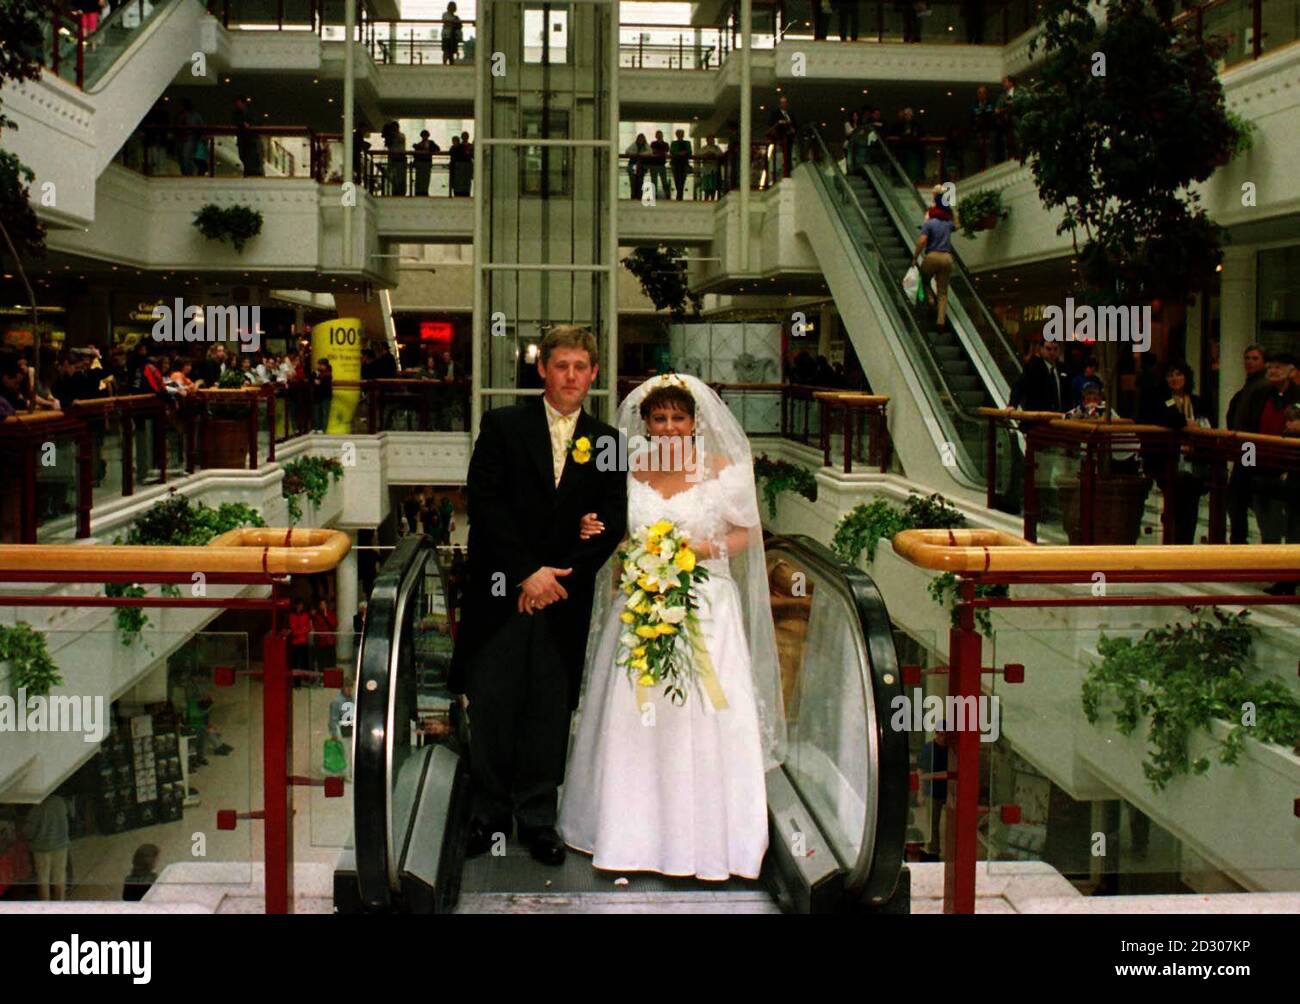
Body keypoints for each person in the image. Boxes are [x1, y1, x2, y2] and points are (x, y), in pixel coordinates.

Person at [558, 373, 784, 880]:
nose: (668, 427)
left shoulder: (721, 468)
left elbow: (746, 535)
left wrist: (695, 551)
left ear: (694, 421)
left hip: (707, 607)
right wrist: (599, 532)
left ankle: (708, 842)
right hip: (641, 601)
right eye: (658, 418)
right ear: (645, 423)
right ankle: (631, 836)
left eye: (678, 418)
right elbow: (613, 530)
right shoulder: (629, 469)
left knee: (699, 716)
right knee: (637, 720)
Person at [450, 325, 627, 866]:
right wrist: (528, 573)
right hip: (501, 594)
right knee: (493, 704)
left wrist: (554, 581)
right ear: (543, 370)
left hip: (562, 602)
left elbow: (611, 520)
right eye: (561, 366)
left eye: (581, 367)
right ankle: (487, 815)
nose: (571, 376)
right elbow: (487, 504)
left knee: (549, 709)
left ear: (593, 374)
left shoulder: (607, 442)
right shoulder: (503, 425)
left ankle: (537, 818)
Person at [1146, 361, 1214, 545]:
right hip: (1170, 464)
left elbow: (1209, 424)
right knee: (1173, 512)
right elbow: (1166, 417)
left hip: (1196, 464)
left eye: (1179, 374)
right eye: (1170, 375)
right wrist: (1185, 423)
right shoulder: (1162, 400)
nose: (1174, 379)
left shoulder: (1198, 401)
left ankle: (1186, 549)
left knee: (1190, 512)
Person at [1239, 352, 1300, 553]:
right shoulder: (1259, 394)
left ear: (1291, 371)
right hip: (1261, 469)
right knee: (1267, 526)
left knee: (1293, 527)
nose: (1273, 371)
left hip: (1292, 472)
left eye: (1278, 367)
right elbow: (1247, 431)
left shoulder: (1298, 395)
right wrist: (1247, 466)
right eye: (1271, 367)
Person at [1226, 344, 1268, 543]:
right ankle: (1238, 540)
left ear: (1264, 362)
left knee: (1240, 494)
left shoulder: (1262, 386)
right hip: (1244, 447)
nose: (1250, 362)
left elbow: (1254, 423)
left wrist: (1247, 456)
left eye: (1255, 358)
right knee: (1236, 496)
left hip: (1250, 448)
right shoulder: (1249, 386)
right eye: (1247, 358)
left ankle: (1239, 541)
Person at [912, 191, 957, 329]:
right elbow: (957, 224)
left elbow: (922, 241)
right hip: (947, 258)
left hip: (932, 256)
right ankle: (940, 322)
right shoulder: (948, 224)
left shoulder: (929, 223)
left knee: (924, 280)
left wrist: (915, 257)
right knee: (943, 291)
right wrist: (952, 210)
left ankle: (931, 300)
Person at [24, 794, 73, 901]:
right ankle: (60, 903)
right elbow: (71, 814)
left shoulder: (37, 807)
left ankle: (46, 906)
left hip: (41, 849)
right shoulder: (60, 801)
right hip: (61, 845)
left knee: (43, 879)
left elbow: (29, 832)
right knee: (60, 876)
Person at [1011, 338, 1072, 412]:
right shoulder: (1034, 366)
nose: (1052, 352)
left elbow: (1068, 394)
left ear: (1059, 350)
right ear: (1041, 349)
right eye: (1048, 349)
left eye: (1055, 349)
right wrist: (1012, 405)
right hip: (1038, 414)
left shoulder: (1063, 368)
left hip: (1059, 416)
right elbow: (1019, 385)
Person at [766, 95, 798, 182]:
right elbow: (771, 125)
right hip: (781, 138)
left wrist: (793, 129)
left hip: (789, 138)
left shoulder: (790, 114)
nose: (784, 104)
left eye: (785, 103)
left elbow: (795, 125)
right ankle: (784, 172)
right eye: (782, 103)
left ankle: (789, 170)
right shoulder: (775, 114)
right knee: (782, 155)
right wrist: (780, 123)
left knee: (789, 154)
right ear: (780, 104)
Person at [971, 84, 998, 171]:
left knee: (990, 153)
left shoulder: (992, 104)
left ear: (986, 94)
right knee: (980, 154)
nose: (982, 95)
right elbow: (972, 119)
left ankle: (991, 169)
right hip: (979, 133)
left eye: (983, 93)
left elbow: (993, 117)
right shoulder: (974, 106)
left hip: (990, 132)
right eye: (980, 93)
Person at [233, 97, 263, 177]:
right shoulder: (237, 114)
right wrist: (243, 124)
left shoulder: (250, 113)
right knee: (243, 156)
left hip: (250, 139)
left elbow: (256, 122)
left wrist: (249, 125)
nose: (237, 105)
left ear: (243, 103)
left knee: (250, 157)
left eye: (238, 103)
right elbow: (234, 122)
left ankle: (251, 173)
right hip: (243, 139)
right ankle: (248, 172)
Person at [177, 98, 205, 177]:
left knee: (186, 157)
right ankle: (186, 174)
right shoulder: (180, 115)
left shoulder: (194, 115)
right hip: (182, 139)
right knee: (182, 158)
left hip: (190, 139)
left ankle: (188, 174)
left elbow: (201, 127)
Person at [288, 598, 313, 687]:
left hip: (304, 642)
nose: (300, 606)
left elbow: (309, 628)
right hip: (295, 643)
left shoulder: (306, 615)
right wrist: (303, 630)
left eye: (301, 605)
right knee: (295, 664)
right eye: (298, 605)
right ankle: (297, 682)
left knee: (305, 663)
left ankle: (305, 680)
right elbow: (294, 631)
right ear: (296, 605)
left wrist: (300, 631)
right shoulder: (292, 616)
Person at [312, 599, 338, 675]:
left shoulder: (331, 614)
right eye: (321, 604)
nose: (322, 606)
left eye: (323, 604)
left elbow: (334, 625)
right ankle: (322, 677)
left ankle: (331, 676)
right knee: (321, 662)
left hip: (330, 642)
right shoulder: (316, 616)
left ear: (326, 605)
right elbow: (316, 627)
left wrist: (327, 617)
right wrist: (322, 635)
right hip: (321, 642)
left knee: (331, 661)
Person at [383, 121, 407, 196]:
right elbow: (387, 144)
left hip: (400, 160)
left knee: (400, 178)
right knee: (392, 177)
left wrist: (393, 134)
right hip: (392, 159)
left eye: (395, 128)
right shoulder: (390, 137)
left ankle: (400, 192)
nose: (394, 129)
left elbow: (401, 139)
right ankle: (394, 191)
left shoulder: (401, 135)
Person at [412, 130, 438, 196]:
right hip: (423, 162)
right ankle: (421, 191)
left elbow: (437, 148)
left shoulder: (428, 143)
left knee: (424, 178)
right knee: (422, 178)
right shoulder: (420, 144)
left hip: (425, 162)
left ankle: (423, 191)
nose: (424, 137)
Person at [669, 129, 692, 201]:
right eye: (679, 134)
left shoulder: (687, 143)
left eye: (681, 134)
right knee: (676, 178)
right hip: (675, 163)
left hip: (684, 163)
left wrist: (681, 153)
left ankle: (680, 194)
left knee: (682, 179)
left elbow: (690, 152)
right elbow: (672, 152)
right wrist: (680, 153)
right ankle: (679, 193)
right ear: (676, 135)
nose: (680, 135)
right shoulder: (673, 143)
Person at [697, 134, 723, 201]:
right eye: (710, 139)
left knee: (713, 186)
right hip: (706, 170)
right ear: (707, 140)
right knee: (707, 186)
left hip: (714, 170)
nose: (712, 141)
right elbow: (698, 155)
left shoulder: (717, 148)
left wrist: (714, 155)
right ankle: (706, 199)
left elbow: (721, 155)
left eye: (713, 139)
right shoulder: (704, 148)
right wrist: (706, 155)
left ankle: (712, 199)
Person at [647, 130, 670, 200]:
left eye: (660, 135)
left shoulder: (665, 144)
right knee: (654, 181)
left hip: (661, 164)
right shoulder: (654, 143)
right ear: (656, 136)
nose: (659, 136)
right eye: (658, 135)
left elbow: (664, 152)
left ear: (662, 136)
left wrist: (657, 152)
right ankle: (654, 195)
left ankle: (667, 194)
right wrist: (661, 153)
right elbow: (654, 151)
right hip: (654, 164)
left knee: (664, 181)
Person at [624, 133, 648, 199]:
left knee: (640, 180)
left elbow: (650, 152)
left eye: (642, 139)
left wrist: (641, 154)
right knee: (633, 180)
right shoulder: (634, 145)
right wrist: (635, 154)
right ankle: (633, 195)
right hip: (634, 165)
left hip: (641, 166)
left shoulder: (646, 145)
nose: (641, 140)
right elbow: (627, 151)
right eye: (640, 139)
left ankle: (639, 195)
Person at [313, 357, 332, 431]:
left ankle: (323, 429)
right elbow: (312, 379)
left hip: (325, 396)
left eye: (321, 365)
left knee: (324, 413)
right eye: (319, 365)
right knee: (317, 412)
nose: (319, 366)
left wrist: (319, 382)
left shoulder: (328, 373)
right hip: (318, 396)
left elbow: (323, 384)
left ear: (325, 366)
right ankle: (317, 428)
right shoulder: (317, 372)